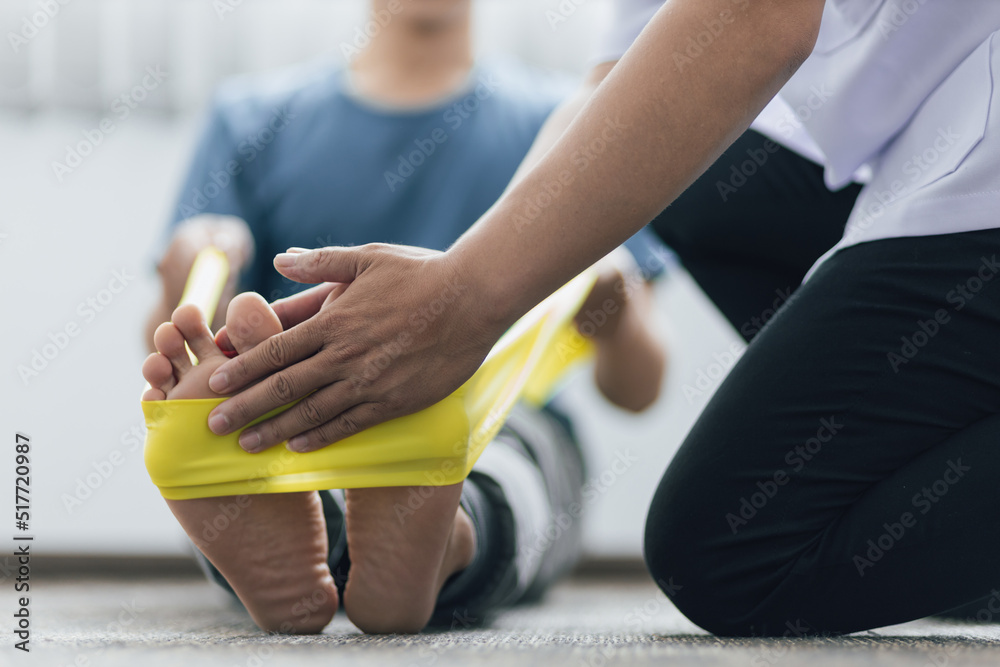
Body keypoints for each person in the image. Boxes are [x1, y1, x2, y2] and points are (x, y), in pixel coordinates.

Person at [200, 0, 1000, 637]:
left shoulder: (522, 105)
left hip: (511, 407)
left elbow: (758, 16)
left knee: (701, 541)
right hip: (942, 165)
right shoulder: (258, 117)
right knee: (690, 153)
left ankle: (446, 540)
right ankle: (338, 519)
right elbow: (613, 89)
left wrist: (471, 302)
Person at [144, 0, 668, 635]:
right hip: (306, 404)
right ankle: (429, 527)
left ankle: (424, 526)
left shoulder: (567, 122)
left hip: (501, 405)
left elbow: (639, 388)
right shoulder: (250, 119)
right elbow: (170, 329)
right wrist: (190, 270)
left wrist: (611, 302)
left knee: (505, 451)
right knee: (265, 428)